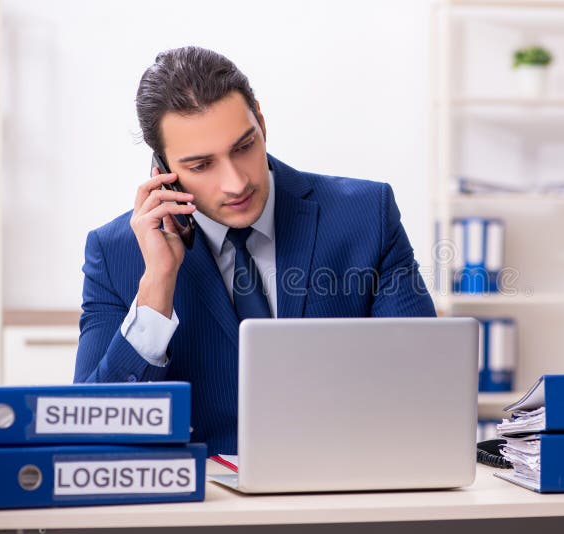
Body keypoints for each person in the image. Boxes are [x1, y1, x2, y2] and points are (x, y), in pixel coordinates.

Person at [74, 46, 436, 454]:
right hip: (201, 506)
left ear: (261, 123)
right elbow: (92, 431)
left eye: (244, 146)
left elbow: (425, 384)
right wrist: (157, 284)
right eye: (200, 166)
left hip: (345, 489)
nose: (236, 183)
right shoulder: (114, 254)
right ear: (163, 173)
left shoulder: (367, 215)